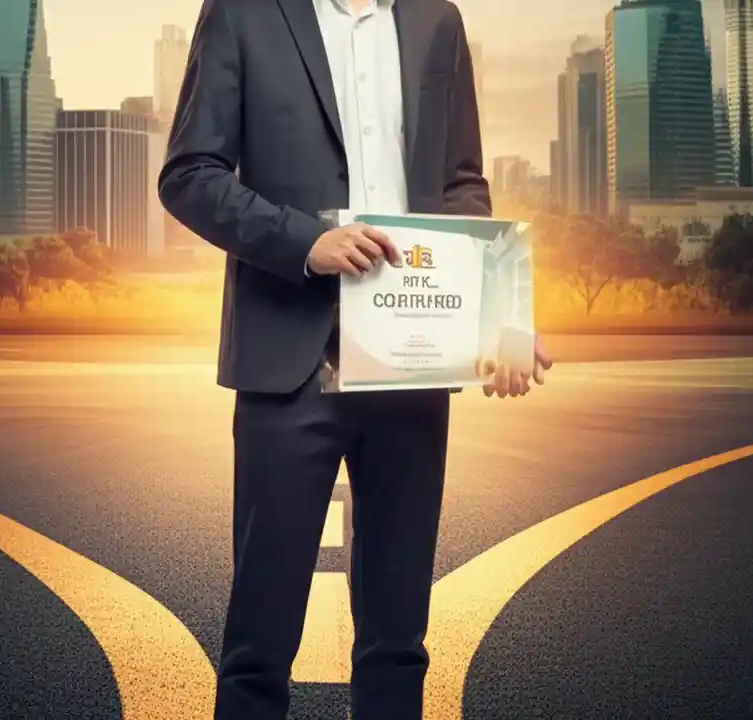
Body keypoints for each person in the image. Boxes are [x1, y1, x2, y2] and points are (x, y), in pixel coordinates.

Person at [158, 0, 552, 717]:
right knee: (258, 647)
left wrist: (497, 315)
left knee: (398, 645)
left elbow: (462, 184)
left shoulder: (438, 20)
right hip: (289, 359)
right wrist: (302, 241)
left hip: (416, 361)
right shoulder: (243, 13)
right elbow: (189, 175)